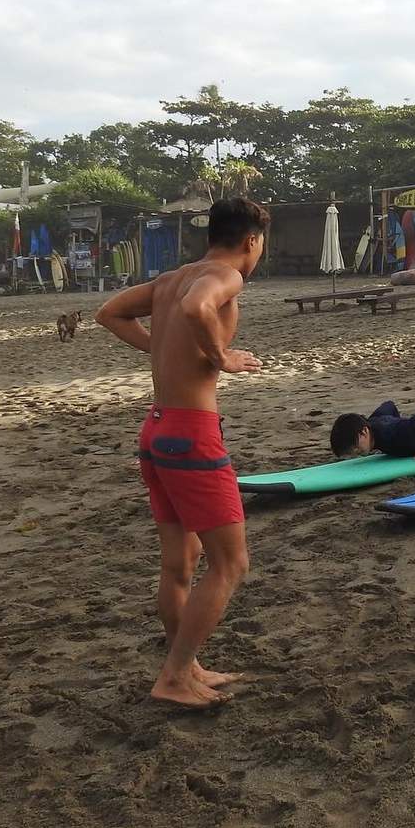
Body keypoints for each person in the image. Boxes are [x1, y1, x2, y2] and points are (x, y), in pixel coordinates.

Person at [94, 197, 269, 709]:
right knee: (231, 563)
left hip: (157, 430)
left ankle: (186, 666)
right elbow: (197, 308)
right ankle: (173, 677)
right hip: (192, 436)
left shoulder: (172, 278)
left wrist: (162, 348)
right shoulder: (226, 275)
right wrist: (222, 358)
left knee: (181, 562)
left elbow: (110, 313)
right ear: (251, 241)